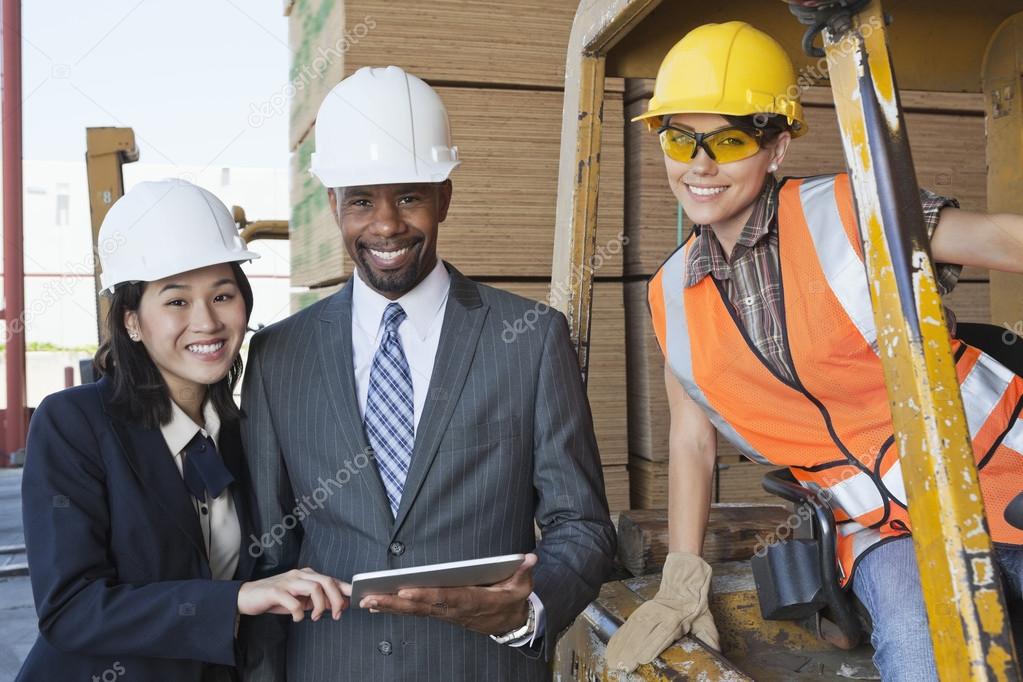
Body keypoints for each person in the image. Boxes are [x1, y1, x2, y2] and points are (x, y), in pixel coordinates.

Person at [605, 21, 1023, 681]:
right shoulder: (670, 296)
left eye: (730, 140)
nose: (700, 165)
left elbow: (1004, 241)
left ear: (774, 149)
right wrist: (683, 577)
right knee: (921, 658)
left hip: (1004, 481)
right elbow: (689, 439)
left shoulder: (852, 212)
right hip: (884, 531)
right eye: (680, 140)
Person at [239, 65, 616, 681]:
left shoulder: (530, 339)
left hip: (481, 665)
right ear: (334, 204)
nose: (386, 225)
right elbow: (269, 555)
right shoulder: (279, 356)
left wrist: (526, 608)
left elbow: (582, 525)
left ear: (444, 194)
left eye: (409, 196)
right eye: (362, 200)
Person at [17, 179, 348, 682]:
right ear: (131, 320)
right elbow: (70, 608)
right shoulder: (73, 424)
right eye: (176, 302)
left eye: (222, 295)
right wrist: (233, 600)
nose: (207, 322)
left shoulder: (245, 433)